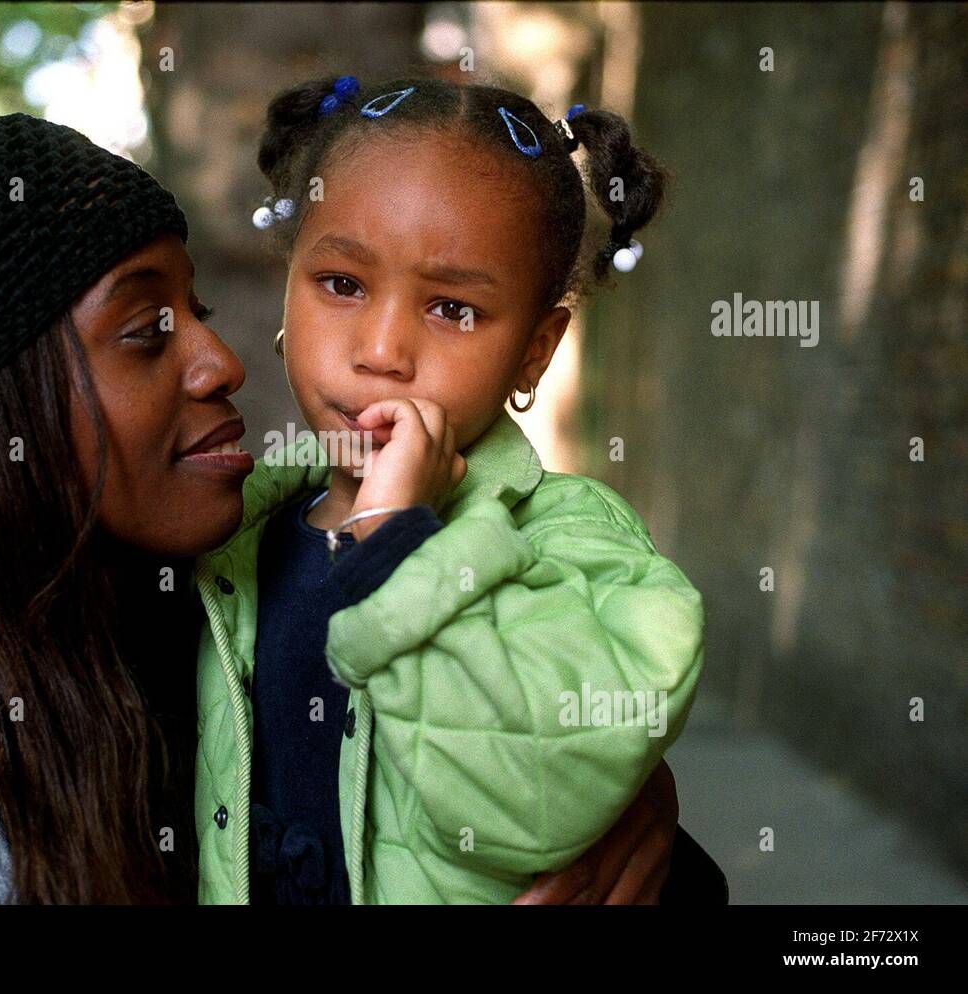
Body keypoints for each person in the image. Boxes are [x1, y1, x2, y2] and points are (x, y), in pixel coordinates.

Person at [0, 112, 694, 905]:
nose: (223, 360)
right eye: (146, 330)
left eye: (194, 309)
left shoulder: (226, 619)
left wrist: (619, 802)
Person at [192, 75, 715, 904]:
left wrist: (401, 543)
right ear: (289, 283)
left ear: (536, 352)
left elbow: (542, 801)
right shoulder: (227, 544)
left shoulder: (579, 546)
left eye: (452, 309)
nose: (383, 349)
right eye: (342, 284)